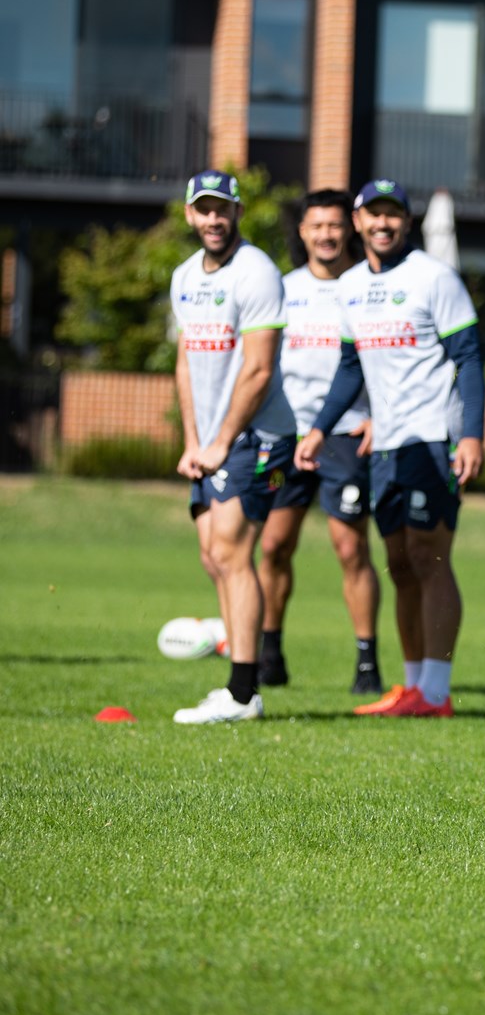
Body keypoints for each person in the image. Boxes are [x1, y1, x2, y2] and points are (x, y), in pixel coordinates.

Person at [295, 179, 485, 718]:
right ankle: (411, 687)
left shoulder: (434, 277)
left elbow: (469, 358)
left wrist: (471, 434)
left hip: (433, 438)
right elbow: (350, 367)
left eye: (392, 215)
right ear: (359, 222)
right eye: (372, 215)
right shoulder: (352, 286)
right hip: (384, 445)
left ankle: (438, 692)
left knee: (431, 556)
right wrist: (318, 428)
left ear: (407, 221)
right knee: (398, 563)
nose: (382, 224)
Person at [170, 170, 296, 724]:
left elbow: (259, 367)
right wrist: (193, 440)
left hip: (259, 437)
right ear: (189, 215)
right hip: (215, 441)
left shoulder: (257, 272)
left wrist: (221, 440)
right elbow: (186, 362)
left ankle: (243, 693)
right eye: (204, 209)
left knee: (230, 553)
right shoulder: (182, 277)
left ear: (238, 212)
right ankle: (239, 688)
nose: (213, 219)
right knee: (212, 557)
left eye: (223, 209)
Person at [255, 189, 383, 694]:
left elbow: (383, 354)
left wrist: (376, 415)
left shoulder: (364, 287)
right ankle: (269, 652)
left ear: (347, 229)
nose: (326, 234)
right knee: (273, 545)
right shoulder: (282, 290)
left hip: (346, 436)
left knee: (350, 548)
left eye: (334, 225)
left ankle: (367, 662)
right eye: (317, 226)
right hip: (287, 436)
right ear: (303, 232)